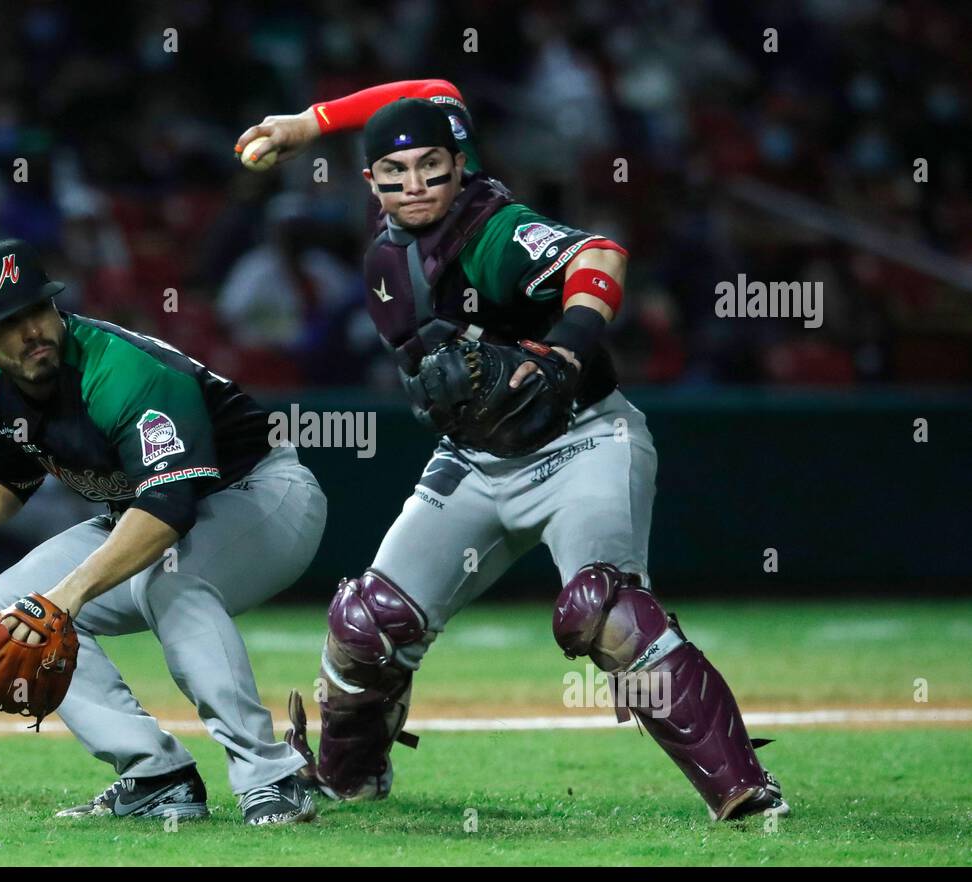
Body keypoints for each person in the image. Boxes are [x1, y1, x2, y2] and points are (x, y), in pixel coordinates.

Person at [234, 80, 788, 821]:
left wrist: (564, 349)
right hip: (476, 459)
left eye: (431, 165)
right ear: (369, 183)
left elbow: (601, 254)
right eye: (394, 173)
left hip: (581, 439)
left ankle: (742, 788)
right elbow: (434, 89)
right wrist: (312, 122)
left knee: (607, 612)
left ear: (458, 161)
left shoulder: (492, 232)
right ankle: (348, 778)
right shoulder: (384, 263)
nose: (416, 184)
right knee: (366, 621)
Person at [0, 238, 324, 825]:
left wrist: (65, 598)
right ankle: (156, 776)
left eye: (37, 310)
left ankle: (271, 776)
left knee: (168, 579)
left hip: (264, 495)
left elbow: (168, 509)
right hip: (145, 515)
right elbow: (5, 475)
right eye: (9, 322)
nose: (31, 331)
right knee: (11, 599)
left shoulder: (126, 371)